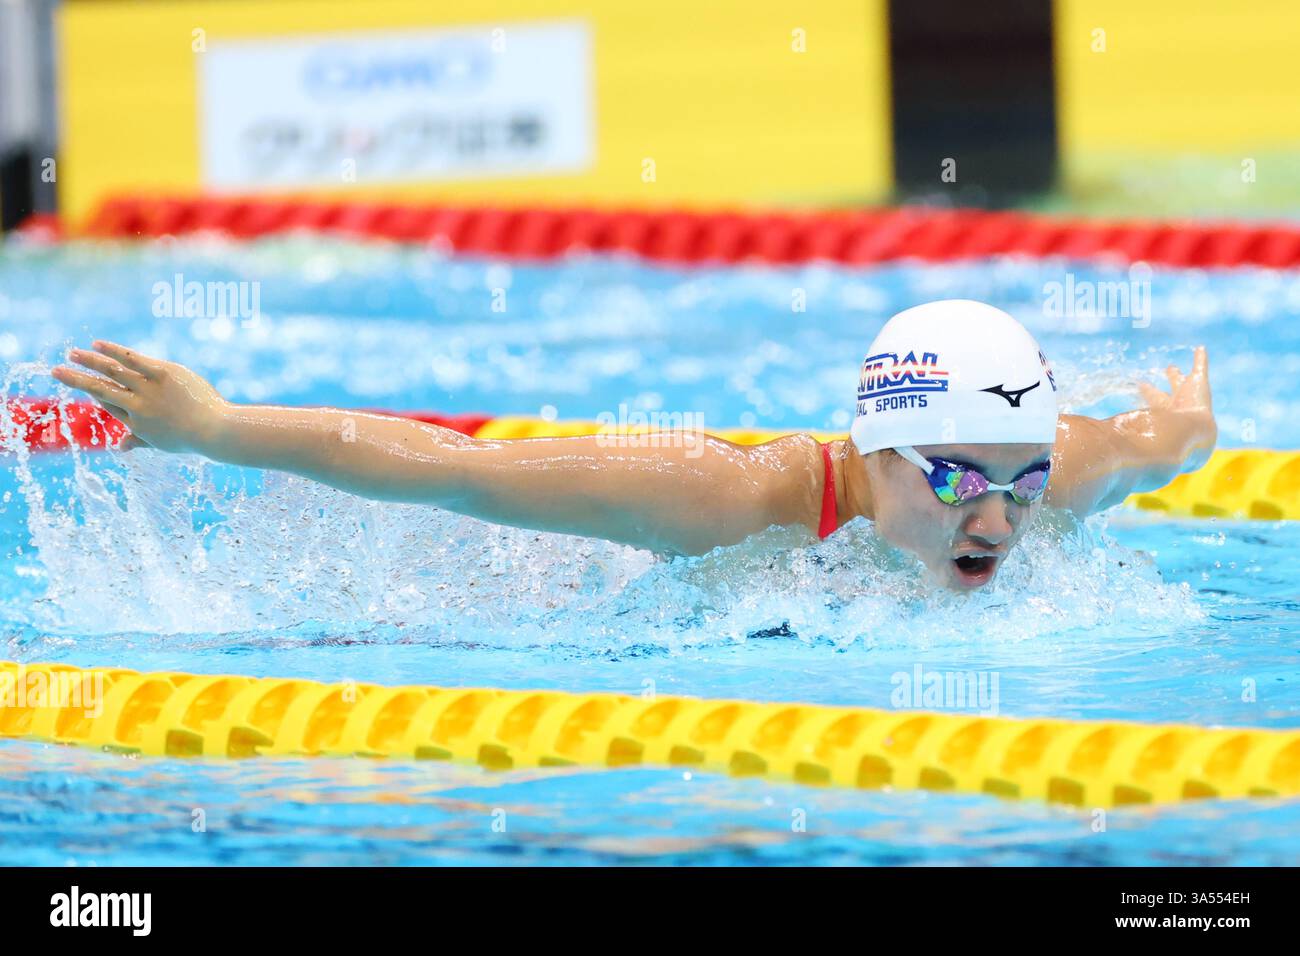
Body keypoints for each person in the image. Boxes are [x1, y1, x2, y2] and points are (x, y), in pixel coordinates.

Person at [51, 299, 1216, 590]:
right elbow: (463, 470)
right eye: (960, 481)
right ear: (876, 449)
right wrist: (213, 428)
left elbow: (1145, 439)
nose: (1002, 522)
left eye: (1020, 482)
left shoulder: (1044, 470)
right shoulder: (721, 496)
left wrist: (1183, 428)